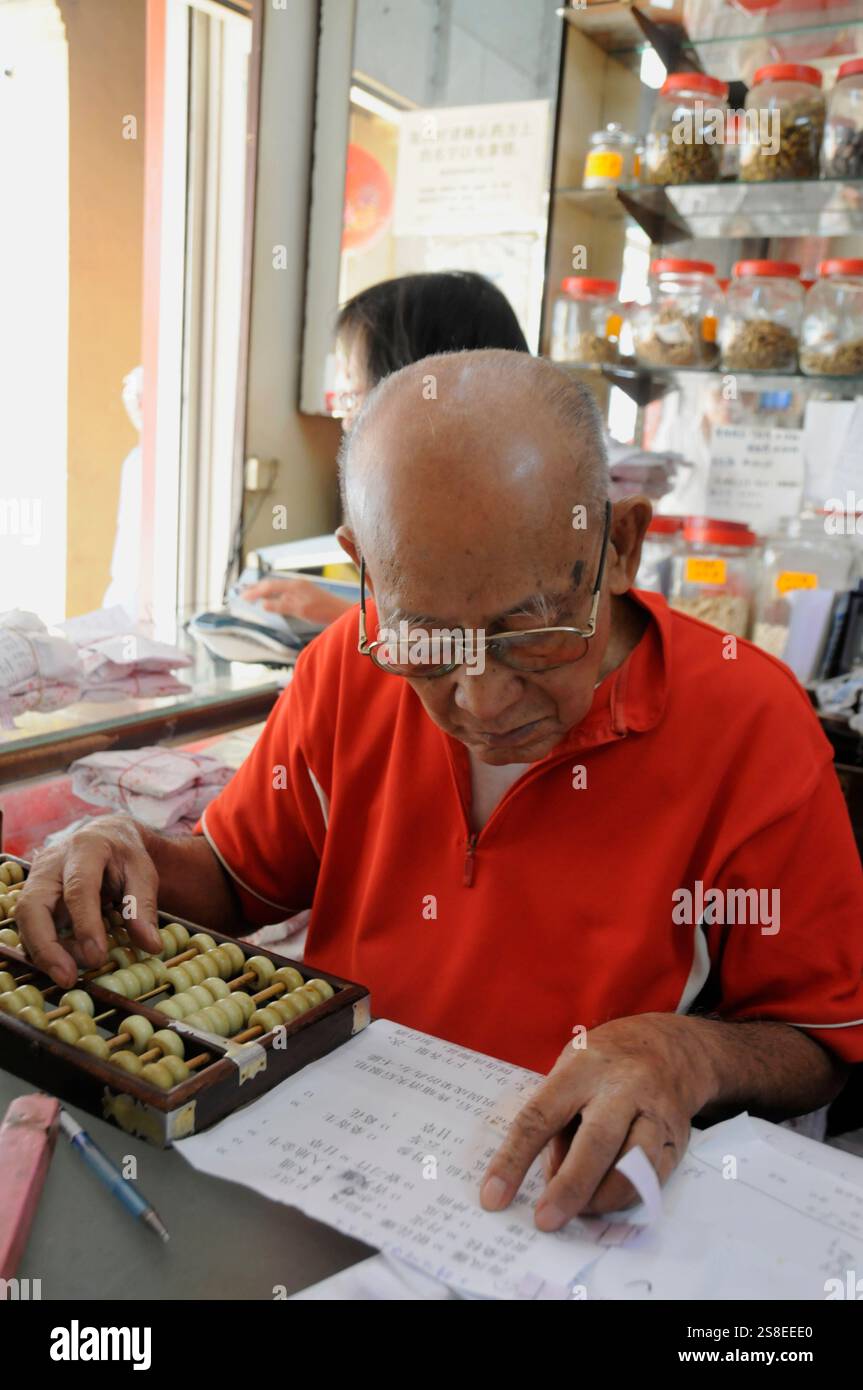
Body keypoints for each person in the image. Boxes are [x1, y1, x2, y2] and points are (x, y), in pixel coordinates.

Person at [17, 352, 863, 1230]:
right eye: (425, 640)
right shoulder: (346, 666)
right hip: (323, 1172)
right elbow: (236, 883)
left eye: (530, 634)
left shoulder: (751, 725)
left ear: (618, 546)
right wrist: (126, 853)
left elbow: (819, 1040)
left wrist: (683, 1053)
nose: (480, 701)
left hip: (566, 1211)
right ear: (365, 572)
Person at [241, 271, 529, 627]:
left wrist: (339, 618)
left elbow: (458, 645)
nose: (347, 422)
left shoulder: (495, 527)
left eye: (354, 395)